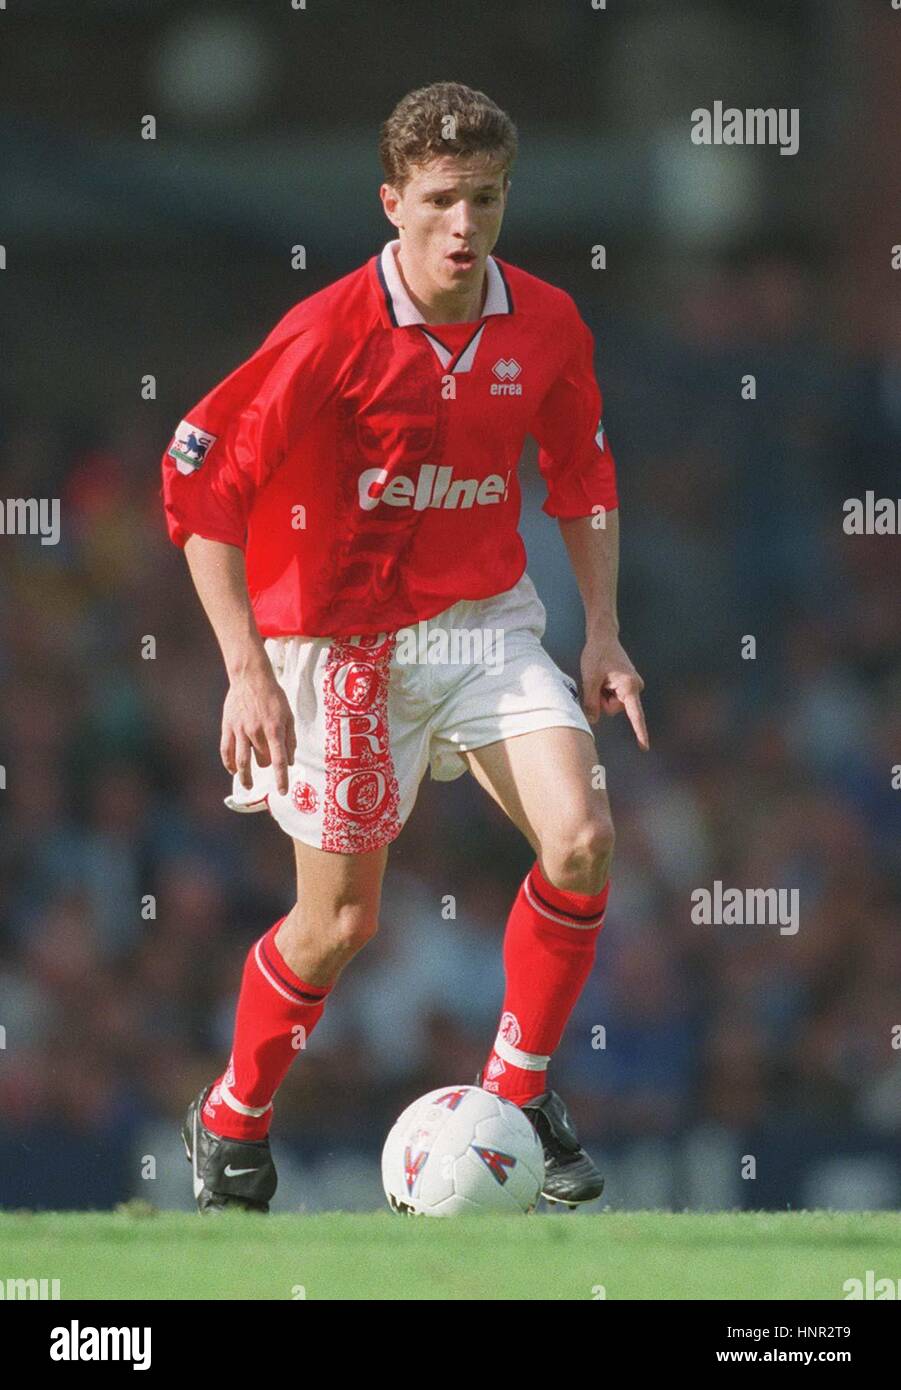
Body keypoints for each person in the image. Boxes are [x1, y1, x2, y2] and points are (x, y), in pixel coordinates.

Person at [161, 81, 647, 1215]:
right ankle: (232, 1113)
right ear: (392, 203)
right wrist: (244, 668)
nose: (462, 226)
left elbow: (580, 475)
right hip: (338, 648)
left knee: (580, 842)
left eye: (483, 198)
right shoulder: (328, 332)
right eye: (437, 201)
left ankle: (516, 1093)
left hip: (484, 624)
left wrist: (605, 630)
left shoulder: (549, 322)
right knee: (339, 924)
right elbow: (202, 488)